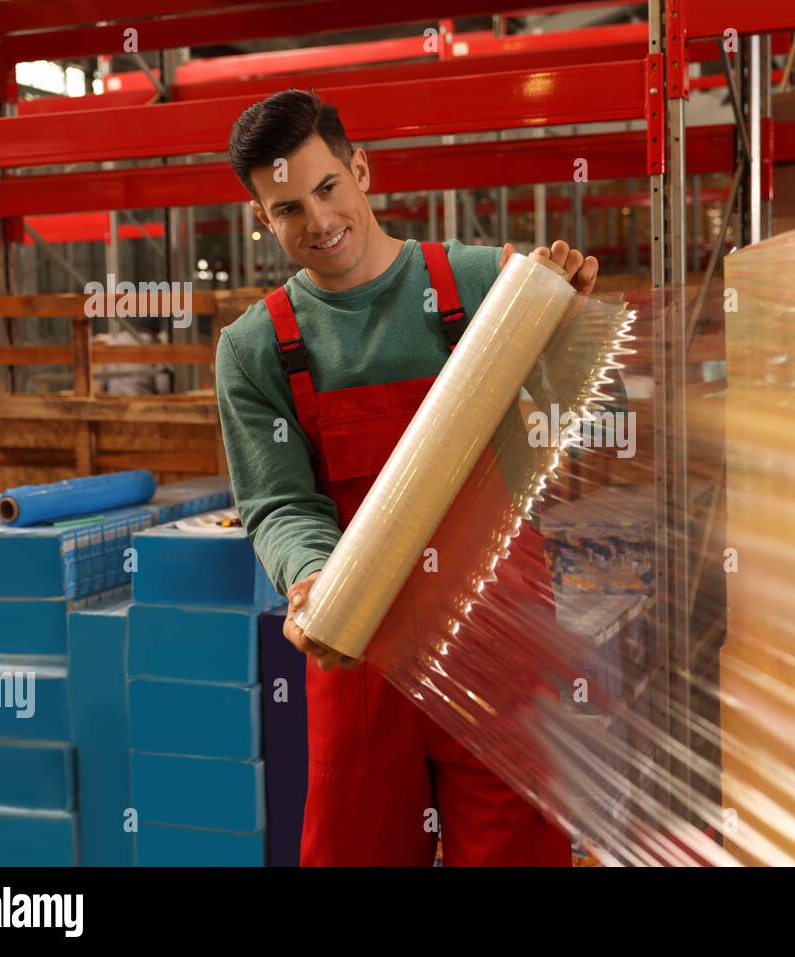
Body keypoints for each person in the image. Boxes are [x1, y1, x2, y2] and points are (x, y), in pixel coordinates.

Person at [215, 89, 596, 866]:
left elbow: (562, 425)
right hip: (360, 645)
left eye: (327, 188)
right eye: (287, 209)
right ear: (263, 220)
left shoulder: (487, 284)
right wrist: (314, 580)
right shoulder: (255, 349)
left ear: (360, 169)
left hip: (500, 639)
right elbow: (280, 501)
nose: (318, 222)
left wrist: (565, 335)